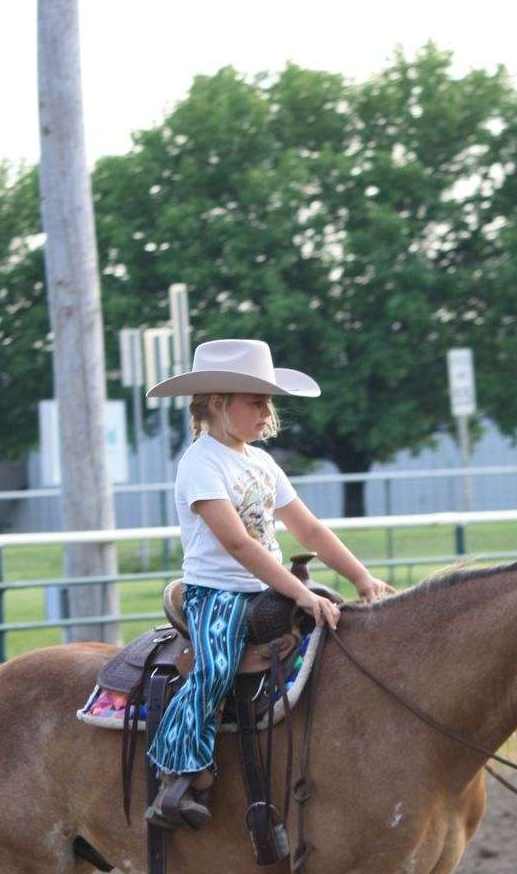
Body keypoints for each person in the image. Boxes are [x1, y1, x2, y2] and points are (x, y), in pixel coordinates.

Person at [142, 338, 393, 830]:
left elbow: (309, 530)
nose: (267, 413)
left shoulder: (260, 463)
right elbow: (238, 544)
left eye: (268, 402)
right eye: (256, 402)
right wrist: (299, 592)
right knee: (215, 667)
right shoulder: (201, 464)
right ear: (218, 402)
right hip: (217, 593)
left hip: (267, 589)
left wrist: (361, 577)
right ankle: (178, 771)